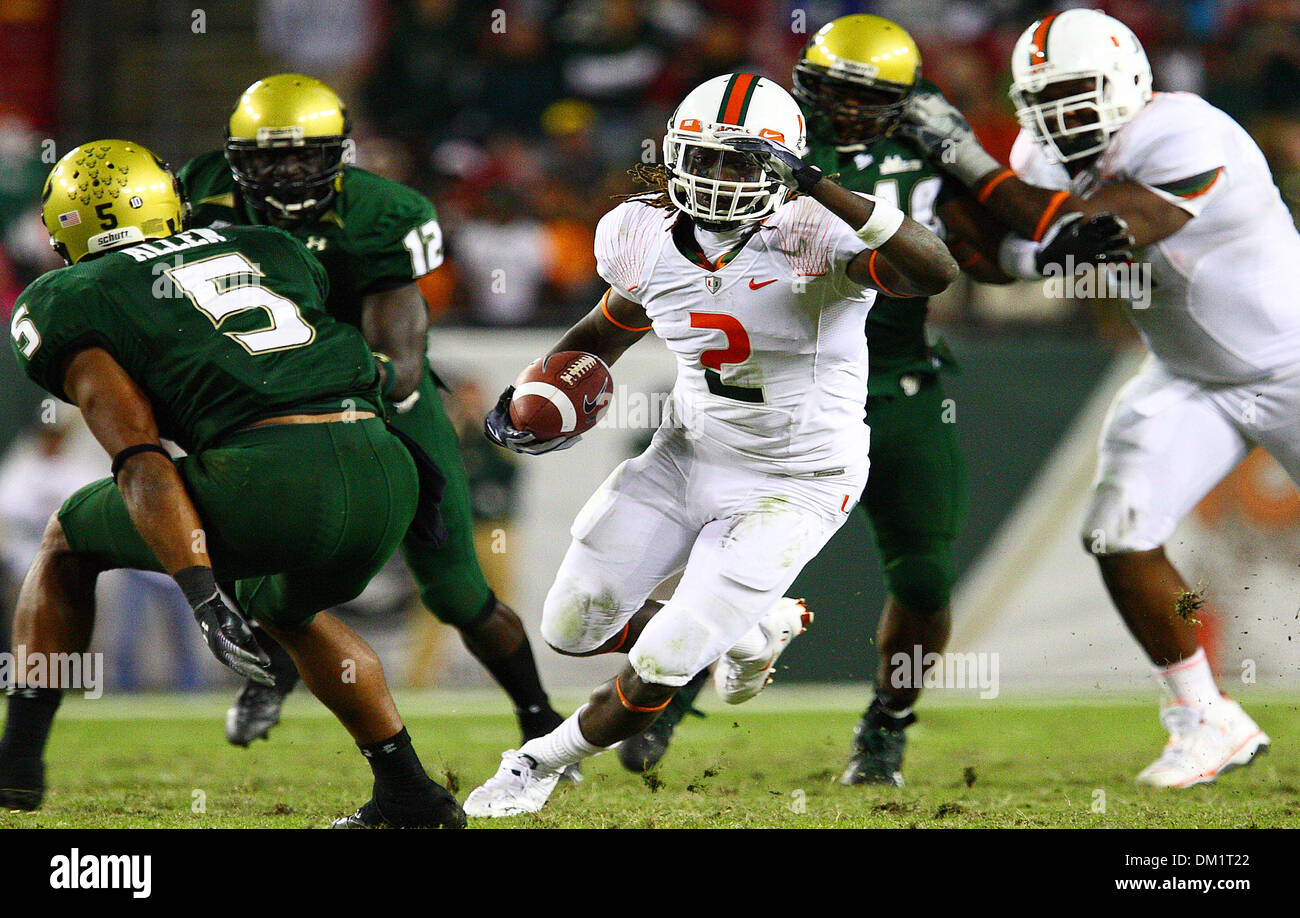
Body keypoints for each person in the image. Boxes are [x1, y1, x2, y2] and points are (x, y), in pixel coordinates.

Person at [463, 73, 959, 817]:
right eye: (706, 158)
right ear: (672, 156)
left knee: (664, 662)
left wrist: (823, 189)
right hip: (688, 456)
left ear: (786, 170)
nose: (720, 179)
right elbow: (603, 331)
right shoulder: (640, 234)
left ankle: (538, 762)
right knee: (569, 625)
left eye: (742, 163)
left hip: (797, 479)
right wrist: (537, 398)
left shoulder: (814, 231)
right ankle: (748, 630)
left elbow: (934, 270)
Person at [617, 13, 1039, 785]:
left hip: (897, 379)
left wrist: (977, 167)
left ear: (904, 99)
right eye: (834, 90)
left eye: (866, 95)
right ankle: (665, 693)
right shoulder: (760, 131)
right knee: (700, 552)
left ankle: (888, 724)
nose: (846, 109)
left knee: (923, 577)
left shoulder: (922, 147)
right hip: (776, 388)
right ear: (807, 82)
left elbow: (998, 256)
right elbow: (662, 197)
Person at [0, 140, 463, 827]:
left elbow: (140, 459)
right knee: (286, 610)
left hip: (270, 479)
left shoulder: (69, 298)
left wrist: (202, 593)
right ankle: (410, 794)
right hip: (384, 470)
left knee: (68, 537)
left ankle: (15, 768)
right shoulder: (266, 246)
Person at [900, 8, 1289, 787]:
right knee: (1118, 532)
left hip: (1291, 362)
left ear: (1130, 80)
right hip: (1190, 377)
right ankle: (1205, 719)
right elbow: (1007, 260)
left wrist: (969, 163)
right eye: (1042, 99)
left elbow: (1103, 228)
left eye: (1078, 93)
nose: (1059, 116)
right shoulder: (1039, 155)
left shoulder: (1185, 130)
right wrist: (939, 196)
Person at [177, 74, 567, 753]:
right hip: (260, 399)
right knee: (230, 536)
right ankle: (268, 673)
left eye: (307, 154)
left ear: (340, 153)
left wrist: (316, 384)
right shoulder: (199, 191)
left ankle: (540, 718)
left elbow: (403, 365)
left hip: (382, 399)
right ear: (238, 160)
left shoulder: (384, 214)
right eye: (272, 158)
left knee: (456, 593)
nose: (291, 171)